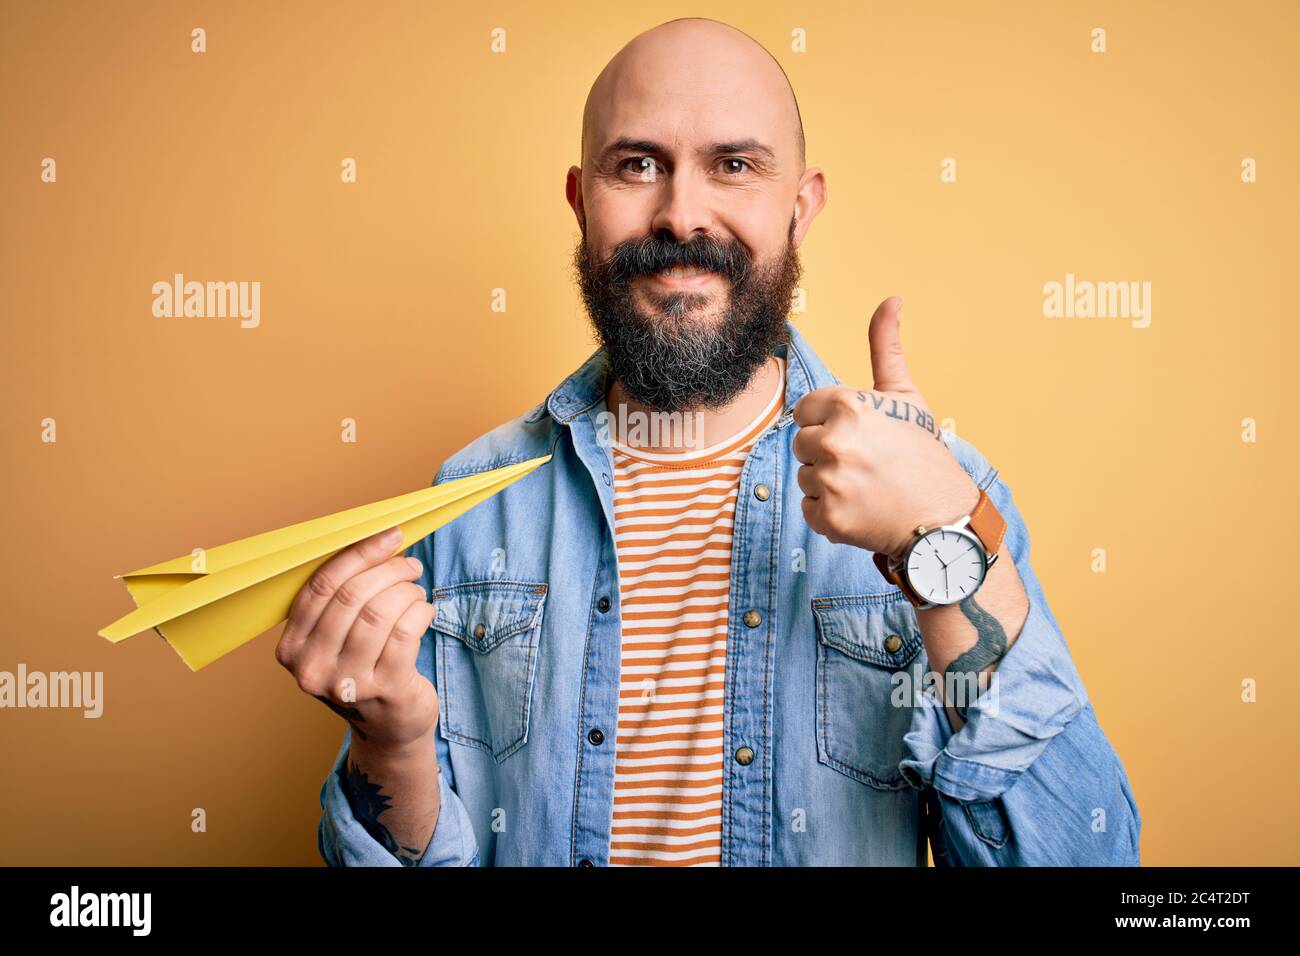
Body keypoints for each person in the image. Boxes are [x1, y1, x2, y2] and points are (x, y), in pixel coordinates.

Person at [275, 17, 1140, 866]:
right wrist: (388, 747)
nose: (681, 215)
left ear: (801, 207)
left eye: (733, 166)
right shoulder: (473, 499)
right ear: (581, 203)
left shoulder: (942, 489)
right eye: (637, 165)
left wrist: (939, 539)